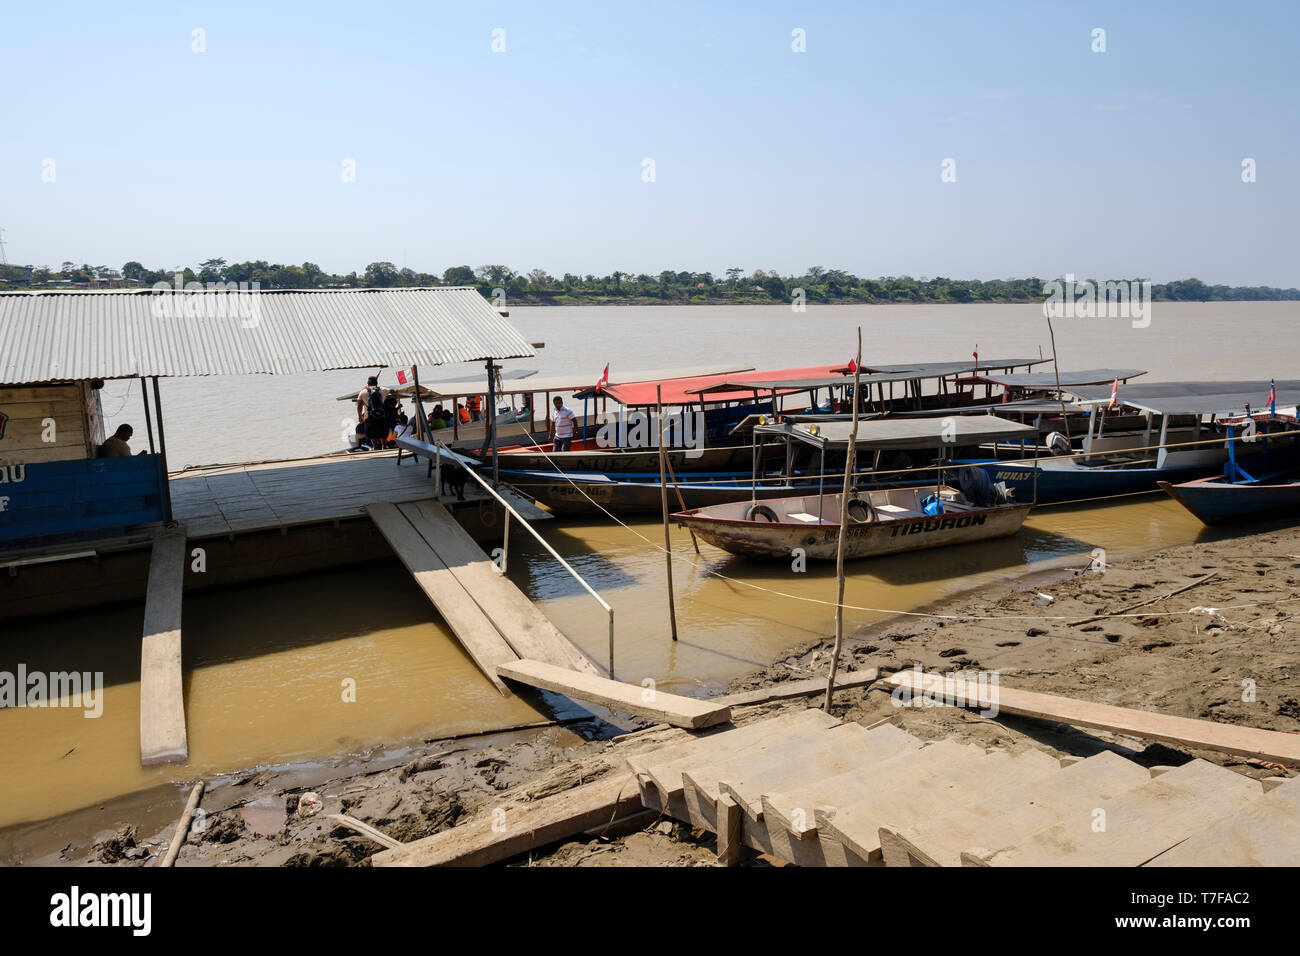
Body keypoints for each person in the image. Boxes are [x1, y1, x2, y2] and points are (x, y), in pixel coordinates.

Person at [358, 376, 388, 450]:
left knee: (371, 432)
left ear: (368, 383)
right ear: (377, 383)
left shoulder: (362, 392)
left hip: (368, 416)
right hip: (381, 415)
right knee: (382, 430)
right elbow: (392, 390)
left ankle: (375, 447)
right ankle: (384, 446)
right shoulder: (383, 390)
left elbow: (359, 406)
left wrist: (360, 417)